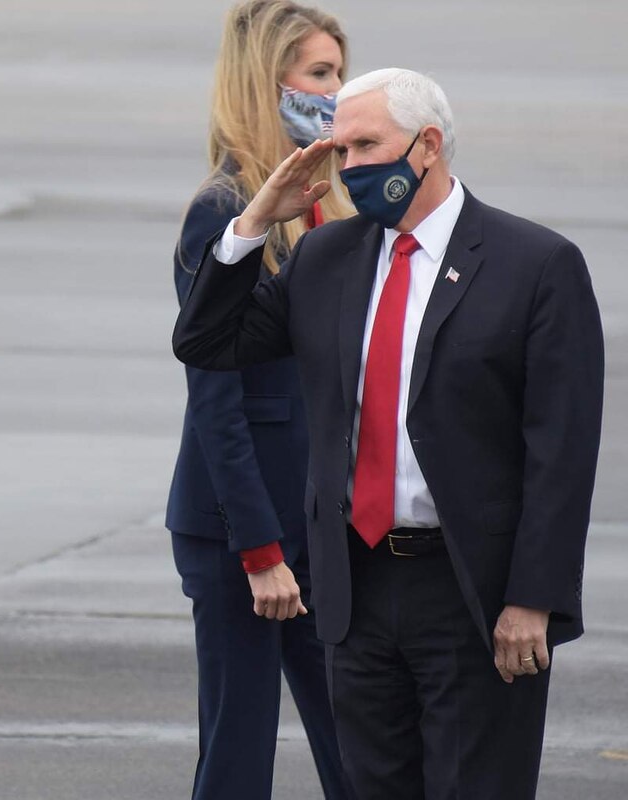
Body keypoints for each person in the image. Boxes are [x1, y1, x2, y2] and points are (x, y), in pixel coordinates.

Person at [173, 67, 603, 799]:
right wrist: (256, 221)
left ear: (428, 146)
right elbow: (206, 342)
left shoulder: (535, 265)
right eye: (341, 150)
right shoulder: (325, 256)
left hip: (472, 594)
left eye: (366, 146)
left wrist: (533, 599)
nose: (349, 167)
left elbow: (561, 451)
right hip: (357, 587)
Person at [166, 2, 353, 798]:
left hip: (318, 525)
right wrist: (260, 550)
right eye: (320, 73)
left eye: (340, 73)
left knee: (360, 743)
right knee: (239, 753)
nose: (337, 91)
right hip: (244, 532)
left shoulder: (334, 203)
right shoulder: (225, 211)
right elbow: (217, 401)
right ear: (267, 82)